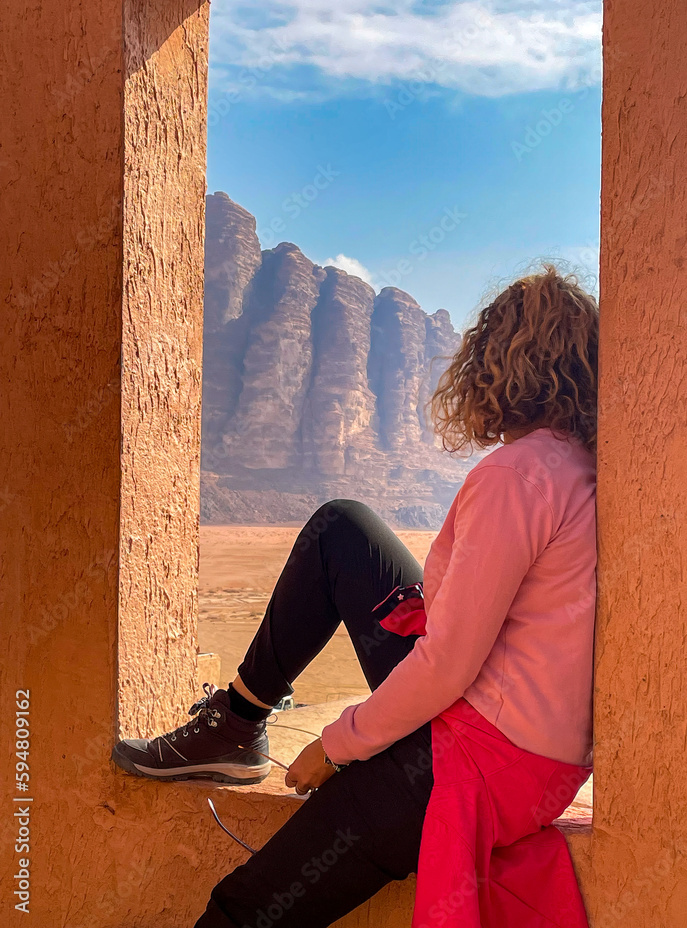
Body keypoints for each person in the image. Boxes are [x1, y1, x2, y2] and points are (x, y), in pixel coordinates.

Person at [112, 263, 599, 928]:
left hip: (469, 762)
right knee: (345, 530)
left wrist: (336, 746)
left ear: (497, 362)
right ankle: (236, 720)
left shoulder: (516, 476)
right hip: (536, 763)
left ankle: (235, 725)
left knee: (242, 912)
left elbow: (449, 664)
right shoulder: (577, 467)